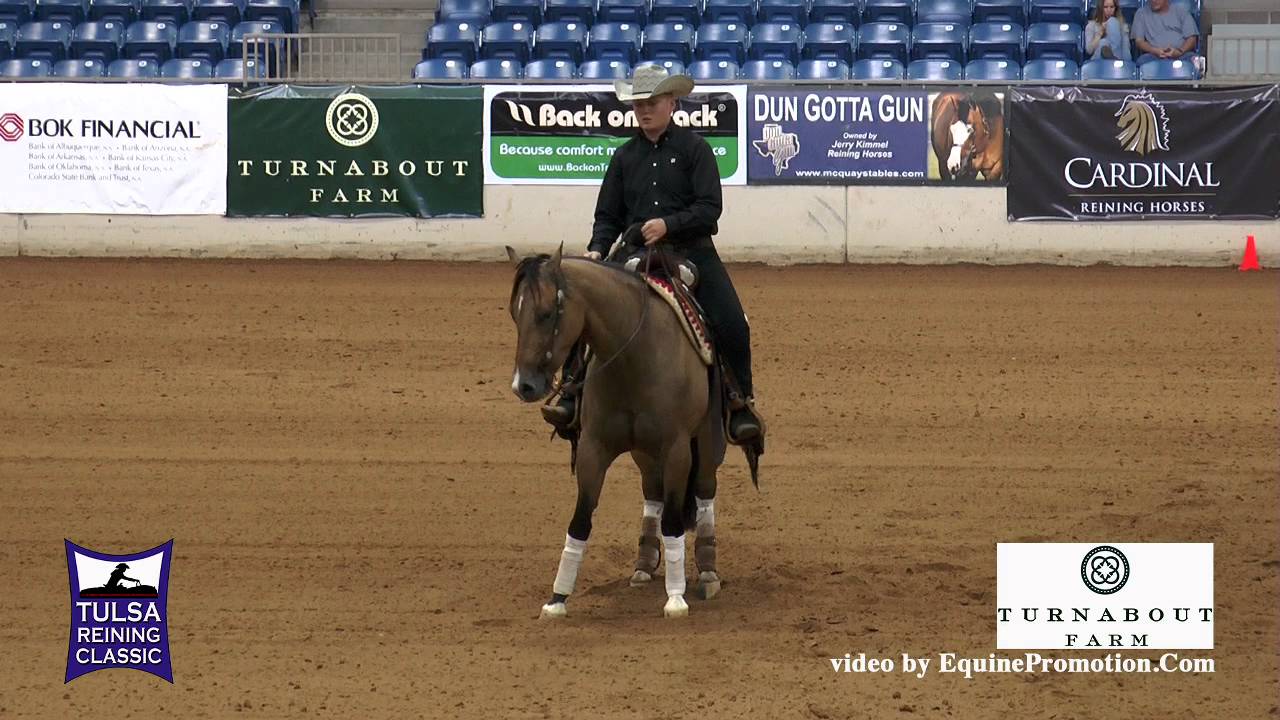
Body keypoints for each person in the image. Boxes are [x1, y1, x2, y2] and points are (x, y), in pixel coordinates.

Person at [541, 65, 763, 444]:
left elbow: (710, 208)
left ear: (672, 104)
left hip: (692, 251)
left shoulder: (696, 150)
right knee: (585, 309)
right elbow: (607, 215)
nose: (644, 110)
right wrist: (597, 249)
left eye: (652, 103)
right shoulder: (625, 157)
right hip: (633, 254)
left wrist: (669, 225)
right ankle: (573, 393)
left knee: (733, 324)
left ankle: (738, 401)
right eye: (638, 104)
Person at [1131, 0, 1199, 64]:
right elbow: (1139, 41)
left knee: (1195, 61)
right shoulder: (1141, 13)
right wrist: (1154, 50)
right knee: (1142, 61)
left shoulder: (1181, 11)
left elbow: (1192, 38)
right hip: (1154, 56)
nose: (1154, 1)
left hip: (1181, 54)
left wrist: (1179, 52)